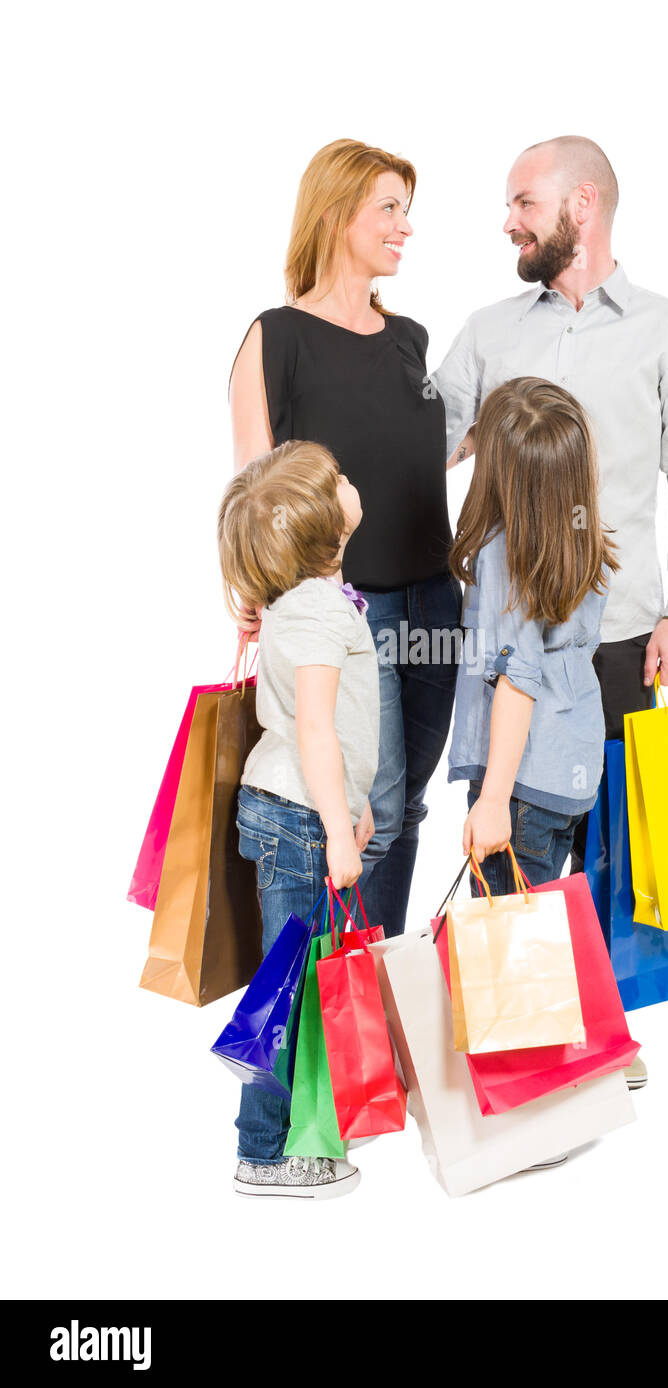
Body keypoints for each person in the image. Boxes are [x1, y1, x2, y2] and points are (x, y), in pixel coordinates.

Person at [434, 134, 668, 1089]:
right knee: (526, 827)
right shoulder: (488, 330)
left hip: (623, 635)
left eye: (523, 201)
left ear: (582, 206)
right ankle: (549, 1038)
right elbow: (424, 447)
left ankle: (602, 1031)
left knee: (613, 839)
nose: (507, 221)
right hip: (512, 634)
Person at [229, 138, 462, 939]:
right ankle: (356, 1002)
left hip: (436, 600)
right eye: (387, 209)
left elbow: (420, 452)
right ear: (335, 215)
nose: (405, 227)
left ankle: (374, 983)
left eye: (407, 210)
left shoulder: (410, 339)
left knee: (405, 804)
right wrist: (249, 592)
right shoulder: (277, 337)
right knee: (374, 803)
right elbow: (249, 492)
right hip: (347, 613)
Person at [217, 440, 378, 1199]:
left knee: (294, 981)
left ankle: (282, 1139)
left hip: (299, 811)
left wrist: (356, 803)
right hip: (297, 821)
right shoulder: (315, 610)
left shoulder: (312, 595)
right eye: (340, 481)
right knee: (288, 990)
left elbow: (333, 730)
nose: (351, 481)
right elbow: (314, 730)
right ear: (326, 531)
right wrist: (339, 830)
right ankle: (265, 1152)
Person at [449, 377, 617, 892]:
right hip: (568, 775)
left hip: (519, 790)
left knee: (507, 964)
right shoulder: (583, 536)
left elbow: (517, 679)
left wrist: (494, 798)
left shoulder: (504, 550)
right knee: (538, 953)